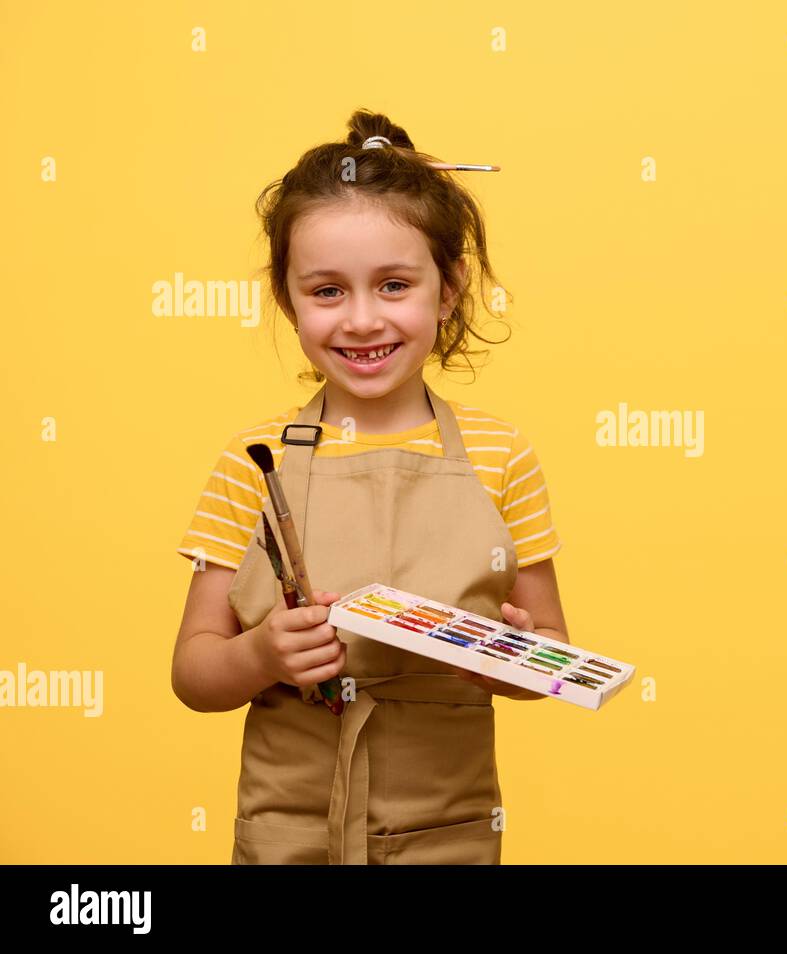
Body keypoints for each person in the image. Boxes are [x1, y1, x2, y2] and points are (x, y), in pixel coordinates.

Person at [170, 108, 567, 864]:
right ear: (287, 301)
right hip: (292, 831)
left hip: (445, 832)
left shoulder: (501, 454)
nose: (360, 319)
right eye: (326, 291)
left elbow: (553, 652)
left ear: (447, 290)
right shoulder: (253, 461)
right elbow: (193, 671)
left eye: (392, 285)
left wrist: (507, 655)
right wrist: (261, 656)